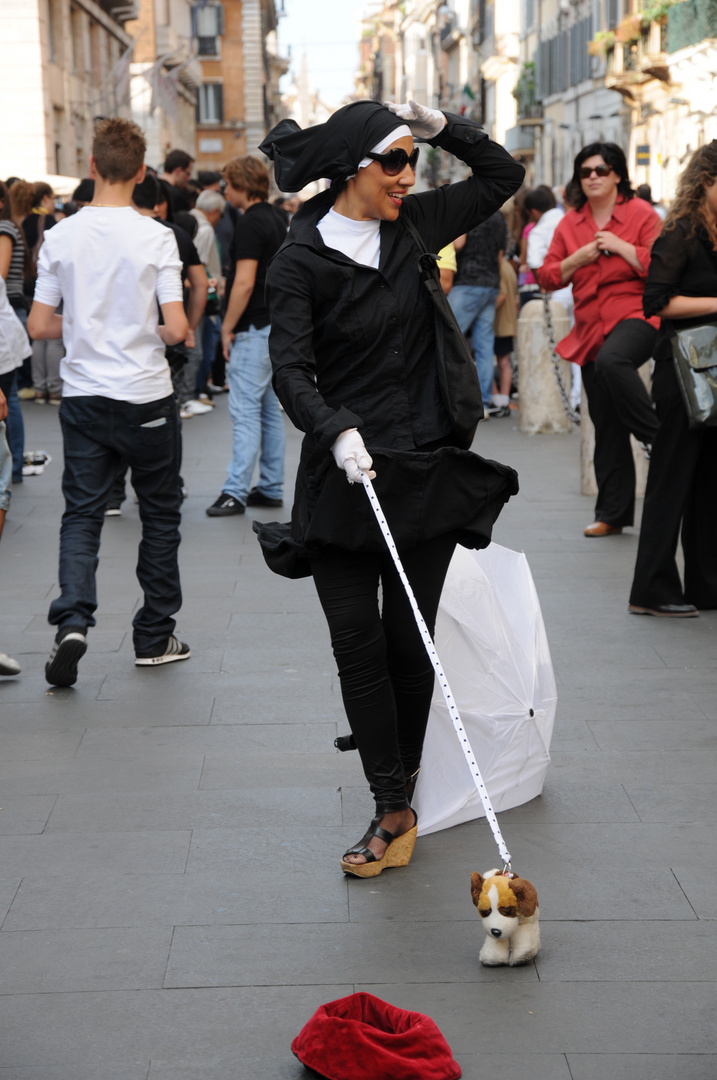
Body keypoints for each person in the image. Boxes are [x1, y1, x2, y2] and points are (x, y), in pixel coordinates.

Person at [259, 98, 523, 876]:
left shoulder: (412, 224)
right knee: (356, 642)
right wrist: (331, 425)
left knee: (411, 643)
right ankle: (388, 804)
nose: (410, 176)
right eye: (396, 160)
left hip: (420, 469)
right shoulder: (299, 258)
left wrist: (440, 124)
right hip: (341, 475)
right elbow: (289, 367)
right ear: (352, 169)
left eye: (414, 159)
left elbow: (501, 173)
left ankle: (399, 792)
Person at [28, 118, 189, 688]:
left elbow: (39, 323)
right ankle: (153, 636)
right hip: (146, 395)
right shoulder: (157, 237)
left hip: (86, 397)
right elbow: (175, 328)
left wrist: (91, 322)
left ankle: (72, 620)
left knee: (82, 514)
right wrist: (146, 322)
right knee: (162, 514)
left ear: (91, 167)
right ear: (142, 173)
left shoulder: (62, 237)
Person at [536, 142, 662, 537]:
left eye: (601, 170)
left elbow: (662, 269)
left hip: (637, 316)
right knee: (605, 423)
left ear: (618, 175)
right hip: (590, 327)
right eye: (586, 171)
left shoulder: (641, 214)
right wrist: (577, 260)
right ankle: (613, 513)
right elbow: (547, 276)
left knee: (613, 361)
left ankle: (658, 438)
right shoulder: (569, 224)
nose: (592, 176)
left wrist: (623, 248)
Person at [629, 142, 717, 617]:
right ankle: (652, 587)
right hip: (682, 372)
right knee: (671, 478)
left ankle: (707, 584)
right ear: (706, 181)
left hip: (715, 373)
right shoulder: (679, 233)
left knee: (710, 481)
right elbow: (656, 301)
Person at [205, 156, 287, 517]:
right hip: (274, 327)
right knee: (269, 412)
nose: (225, 190)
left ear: (240, 184)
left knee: (245, 413)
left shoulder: (250, 222)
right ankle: (270, 486)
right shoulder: (275, 216)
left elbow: (244, 280)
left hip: (252, 328)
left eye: (227, 184)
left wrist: (226, 327)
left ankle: (235, 491)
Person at [448, 208, 509, 412]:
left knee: (448, 338)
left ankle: (448, 396)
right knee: (485, 347)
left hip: (467, 282)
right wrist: (497, 283)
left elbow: (458, 243)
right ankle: (482, 402)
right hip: (490, 284)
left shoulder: (469, 210)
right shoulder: (500, 216)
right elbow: (501, 255)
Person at [161, 149, 195, 214]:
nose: (188, 178)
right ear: (178, 171)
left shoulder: (151, 188)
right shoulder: (177, 196)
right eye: (188, 173)